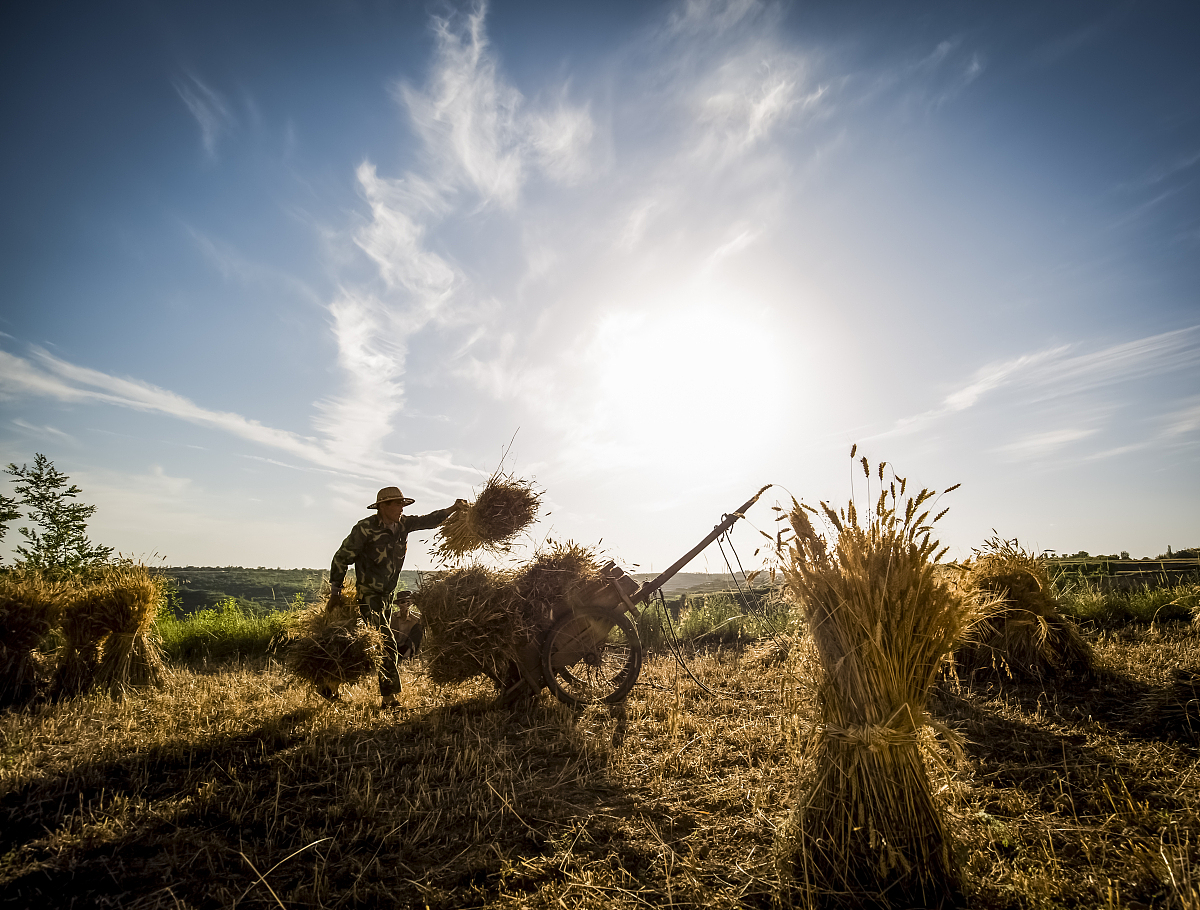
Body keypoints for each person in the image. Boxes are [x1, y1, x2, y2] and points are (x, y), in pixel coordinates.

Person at [328, 486, 464, 709]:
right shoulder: (365, 529)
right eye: (397, 504)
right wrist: (336, 592)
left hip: (386, 597)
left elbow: (429, 520)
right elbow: (341, 558)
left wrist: (453, 509)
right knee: (386, 642)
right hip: (368, 596)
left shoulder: (403, 525)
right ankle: (389, 699)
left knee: (364, 645)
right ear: (383, 506)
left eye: (403, 504)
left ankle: (329, 683)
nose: (401, 508)